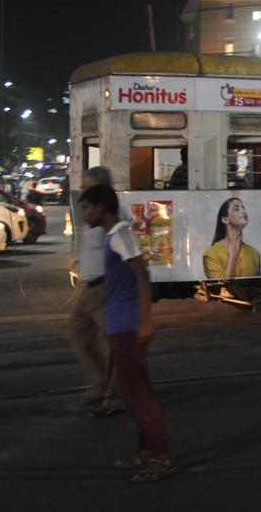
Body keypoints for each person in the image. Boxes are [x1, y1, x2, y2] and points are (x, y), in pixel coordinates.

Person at [79, 183, 174, 482]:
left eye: (87, 208)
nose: (84, 214)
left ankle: (158, 457)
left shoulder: (120, 233)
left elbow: (142, 274)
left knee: (139, 395)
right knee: (132, 396)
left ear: (101, 207)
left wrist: (145, 321)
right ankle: (145, 452)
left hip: (129, 325)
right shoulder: (112, 235)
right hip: (119, 323)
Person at [69, 166, 125, 417]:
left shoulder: (113, 215)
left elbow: (130, 258)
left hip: (103, 287)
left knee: (112, 343)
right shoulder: (92, 213)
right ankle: (99, 384)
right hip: (88, 288)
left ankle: (116, 396)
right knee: (81, 336)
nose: (83, 189)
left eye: (87, 185)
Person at [202, 198, 261, 279]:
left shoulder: (254, 253)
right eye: (236, 209)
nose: (243, 211)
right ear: (225, 219)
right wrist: (232, 257)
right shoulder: (211, 254)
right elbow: (220, 288)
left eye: (243, 208)